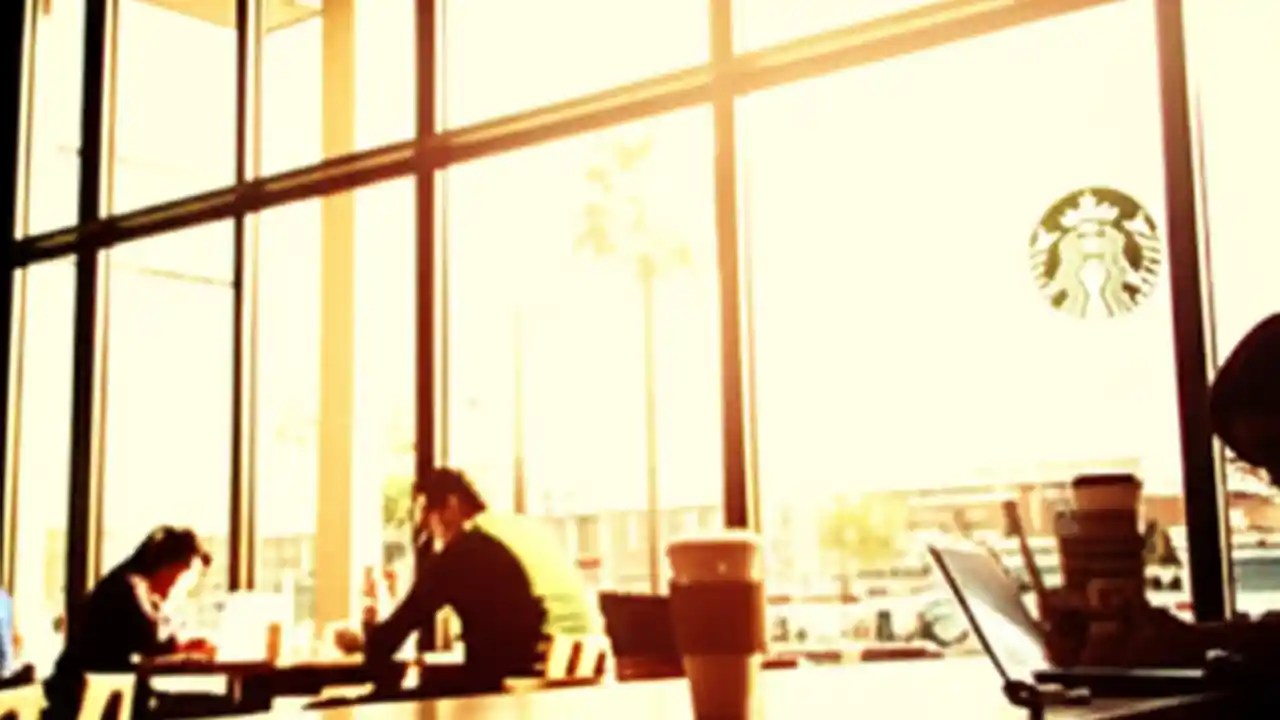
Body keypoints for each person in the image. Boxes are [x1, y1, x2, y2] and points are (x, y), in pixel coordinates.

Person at [341, 467, 596, 697]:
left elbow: (403, 622)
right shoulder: (519, 526)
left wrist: (369, 644)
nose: (432, 535)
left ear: (450, 506)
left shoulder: (469, 545)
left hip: (531, 671)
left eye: (430, 519)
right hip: (584, 660)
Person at [44, 526, 214, 719]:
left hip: (100, 696)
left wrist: (180, 646)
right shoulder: (129, 585)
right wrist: (178, 639)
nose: (182, 587)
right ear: (168, 564)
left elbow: (144, 645)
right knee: (212, 707)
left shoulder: (130, 584)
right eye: (184, 575)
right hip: (90, 701)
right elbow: (151, 635)